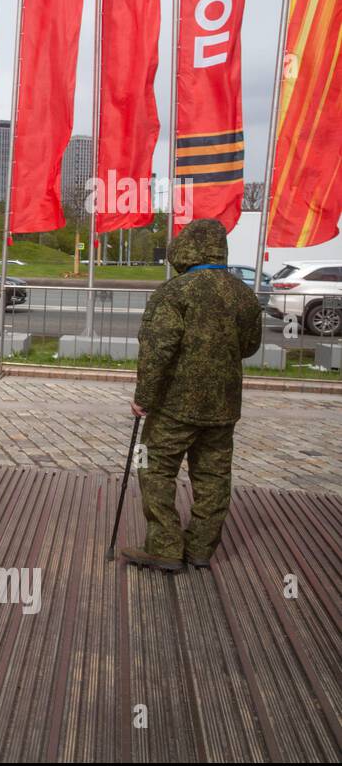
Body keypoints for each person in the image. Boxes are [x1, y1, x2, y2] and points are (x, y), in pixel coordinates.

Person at [122, 218, 263, 572]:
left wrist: (144, 397)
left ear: (185, 249)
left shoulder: (174, 292)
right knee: (213, 477)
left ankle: (166, 546)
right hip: (223, 406)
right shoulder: (243, 293)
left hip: (175, 406)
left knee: (154, 469)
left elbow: (157, 351)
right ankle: (200, 548)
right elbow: (249, 347)